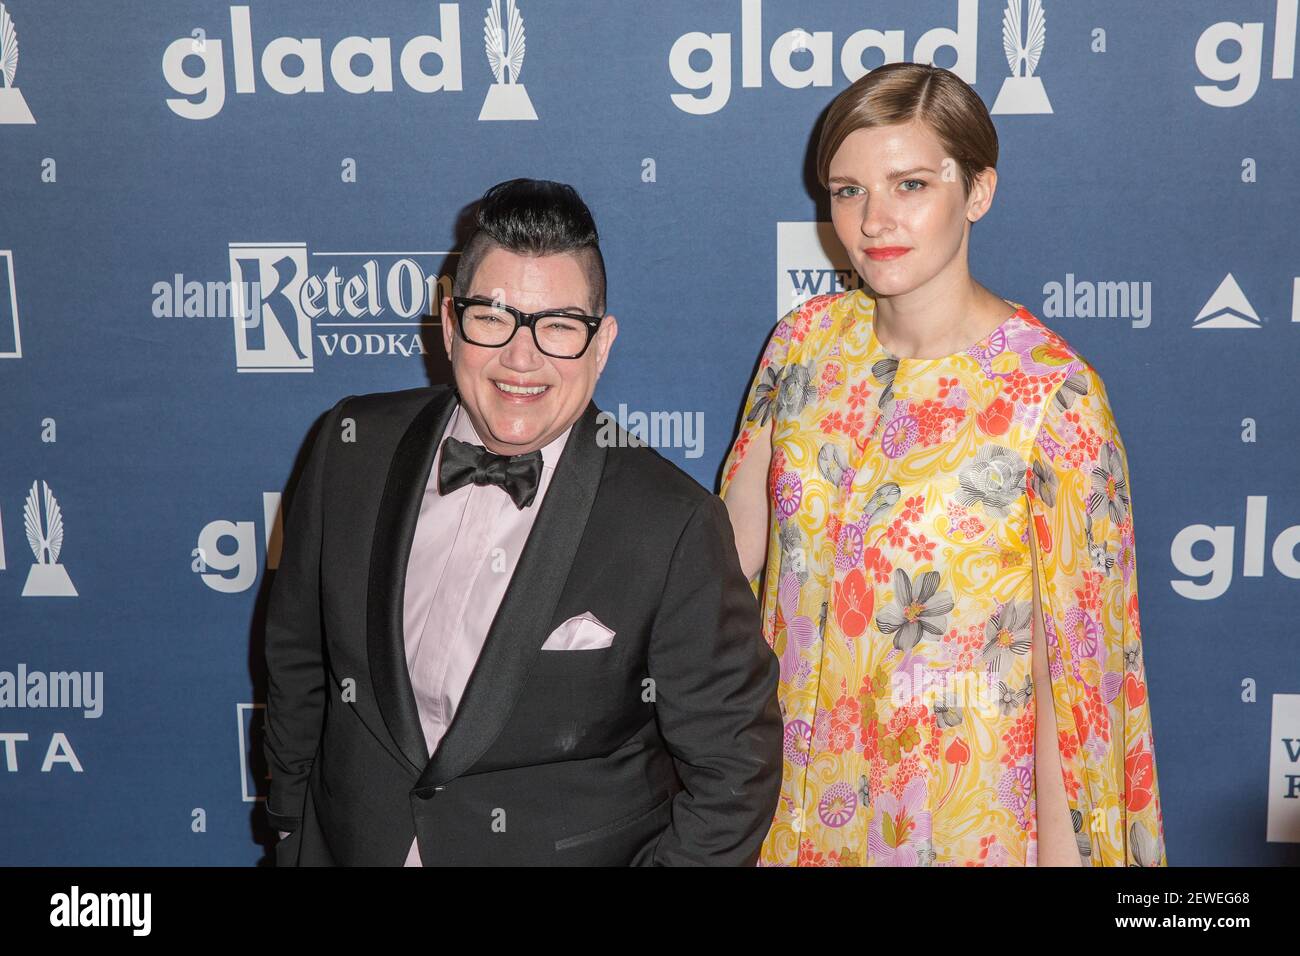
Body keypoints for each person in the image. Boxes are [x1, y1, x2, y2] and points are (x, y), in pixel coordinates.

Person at [719, 64, 1165, 866]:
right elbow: (724, 559)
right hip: (789, 794)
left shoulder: (1053, 398)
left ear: (979, 192)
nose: (874, 220)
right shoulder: (802, 345)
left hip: (954, 816)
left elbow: (1076, 685)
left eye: (911, 184)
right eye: (847, 190)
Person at [264, 178, 782, 865]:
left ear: (601, 346)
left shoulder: (673, 523)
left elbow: (735, 768)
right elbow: (297, 664)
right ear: (450, 323)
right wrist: (291, 833)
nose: (522, 357)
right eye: (493, 317)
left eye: (560, 326)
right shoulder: (349, 444)